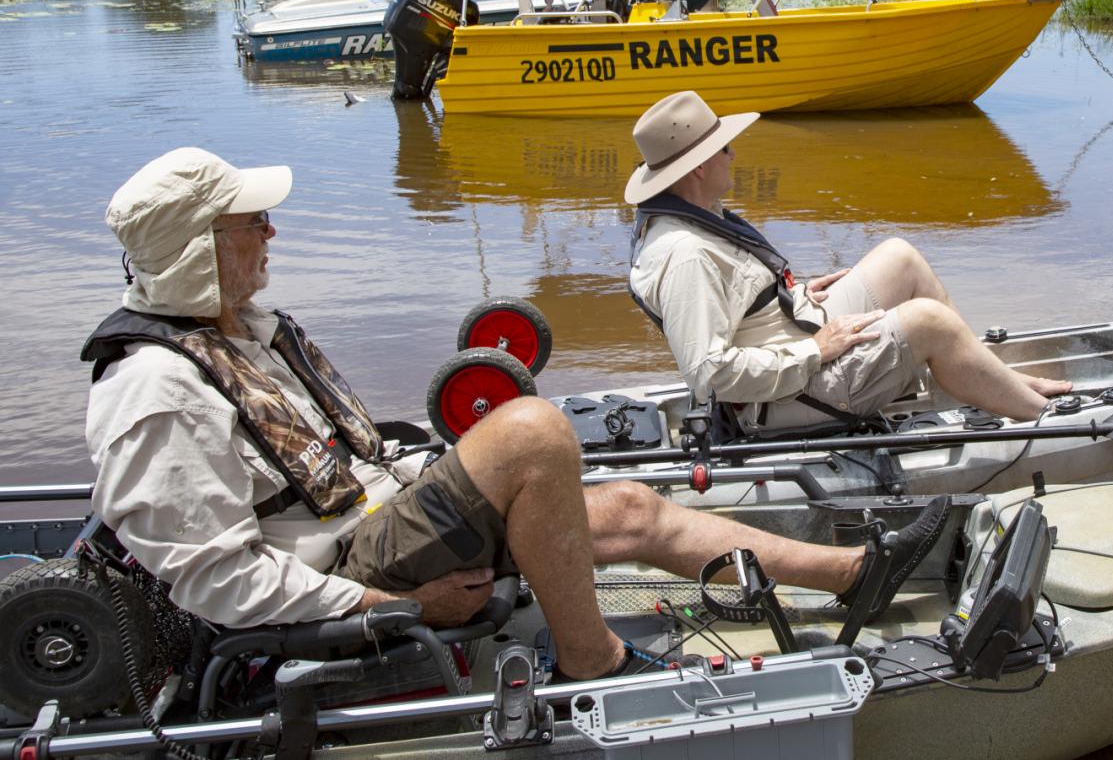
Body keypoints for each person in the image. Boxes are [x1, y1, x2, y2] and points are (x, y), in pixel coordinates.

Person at [83, 147, 948, 682]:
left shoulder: (244, 332)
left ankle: (850, 572)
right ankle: (590, 656)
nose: (271, 233)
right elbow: (214, 580)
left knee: (627, 508)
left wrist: (427, 477)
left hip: (373, 514)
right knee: (532, 432)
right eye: (251, 222)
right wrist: (401, 606)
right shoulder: (153, 391)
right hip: (342, 565)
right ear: (202, 249)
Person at [624, 91, 1073, 435]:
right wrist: (816, 350)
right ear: (699, 167)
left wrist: (788, 296)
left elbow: (735, 302)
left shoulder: (696, 213)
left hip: (790, 333)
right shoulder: (686, 256)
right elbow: (710, 378)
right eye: (724, 148)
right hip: (783, 395)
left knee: (901, 258)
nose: (733, 154)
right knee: (928, 322)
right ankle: (1049, 419)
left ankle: (988, 377)